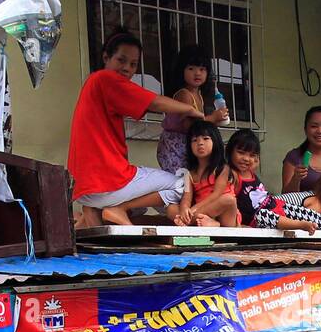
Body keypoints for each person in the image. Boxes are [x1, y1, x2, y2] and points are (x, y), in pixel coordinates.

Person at [67, 32, 220, 227]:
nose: (127, 69)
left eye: (133, 64)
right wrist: (191, 110)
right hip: (107, 180)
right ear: (106, 58)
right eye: (121, 60)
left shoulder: (93, 84)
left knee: (140, 204)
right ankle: (117, 210)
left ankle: (93, 215)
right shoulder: (106, 79)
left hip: (85, 188)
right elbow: (154, 102)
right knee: (181, 184)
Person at [157, 44, 229, 174]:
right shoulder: (184, 95)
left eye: (202, 69)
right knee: (181, 181)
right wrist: (212, 119)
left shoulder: (198, 94)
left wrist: (214, 121)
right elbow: (189, 126)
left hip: (188, 143)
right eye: (191, 68)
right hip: (175, 146)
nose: (197, 73)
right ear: (181, 71)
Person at [177, 121, 240, 227]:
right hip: (202, 213)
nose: (200, 143)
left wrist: (193, 210)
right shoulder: (189, 174)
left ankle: (215, 224)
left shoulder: (222, 168)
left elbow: (217, 194)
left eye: (206, 138)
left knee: (228, 199)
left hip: (225, 215)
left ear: (215, 141)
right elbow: (186, 197)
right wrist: (184, 209)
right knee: (171, 209)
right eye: (194, 140)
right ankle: (210, 223)